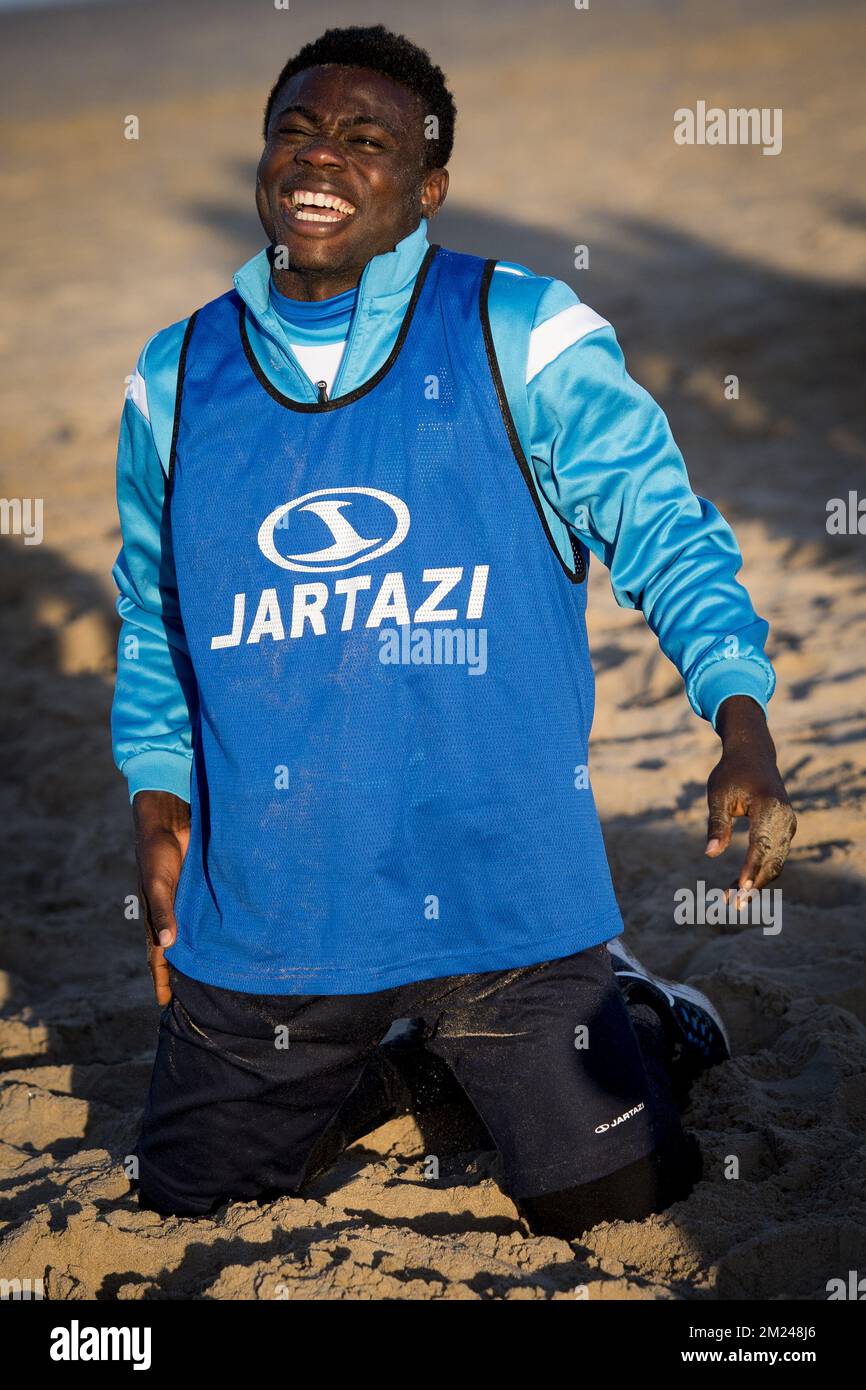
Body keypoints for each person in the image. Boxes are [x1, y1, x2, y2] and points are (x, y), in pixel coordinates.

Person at [110, 24, 796, 1235]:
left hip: (499, 899)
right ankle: (389, 1049)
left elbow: (660, 529)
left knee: (613, 1201)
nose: (321, 158)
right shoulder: (174, 377)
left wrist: (734, 710)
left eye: (367, 140)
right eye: (297, 129)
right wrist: (158, 794)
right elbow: (156, 606)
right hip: (273, 909)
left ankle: (638, 1011)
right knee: (187, 1204)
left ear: (425, 187)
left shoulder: (521, 329)